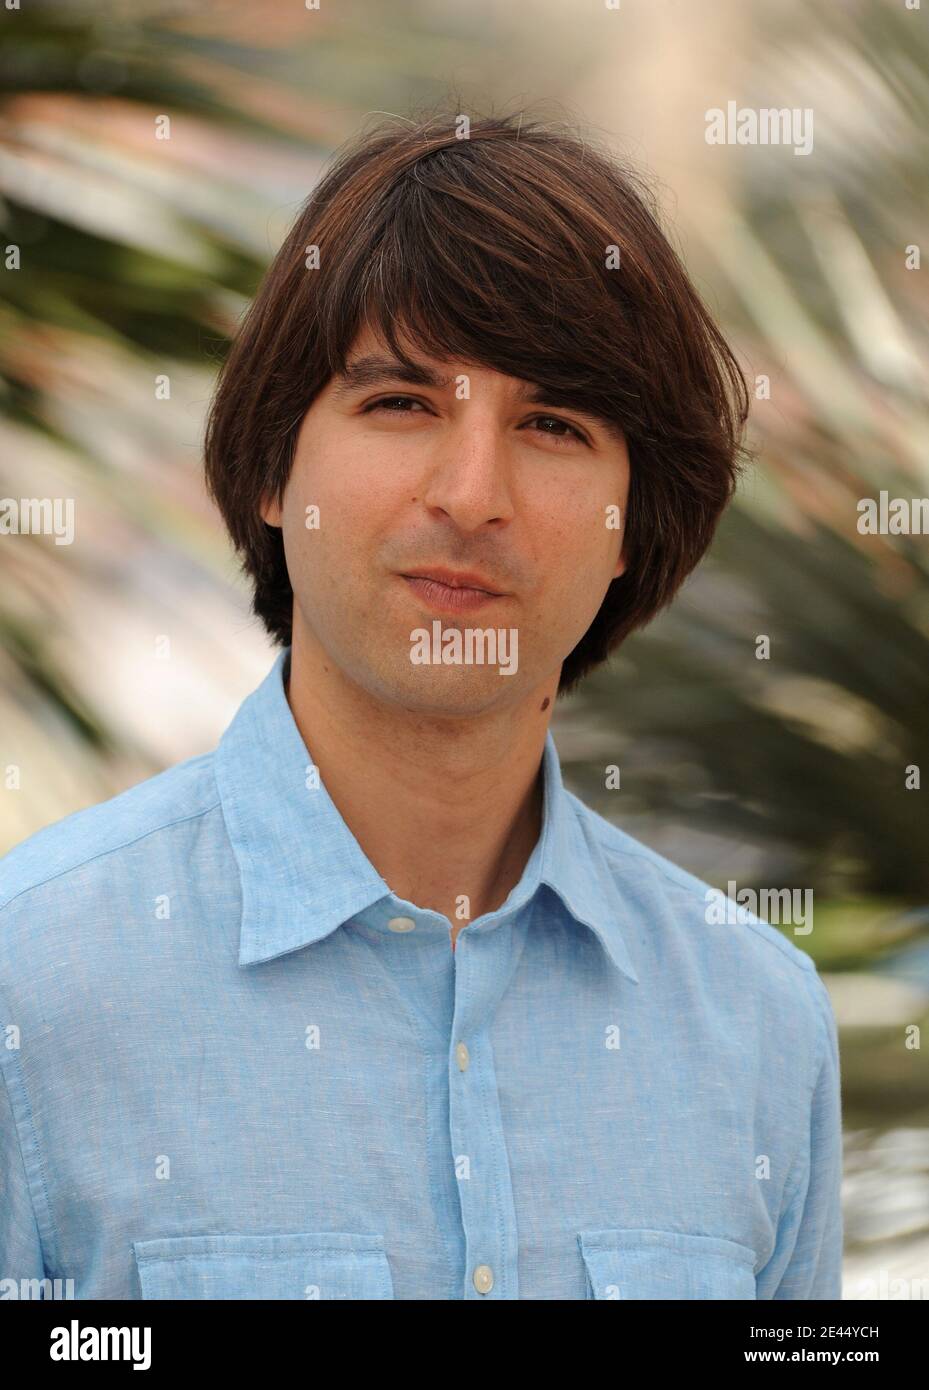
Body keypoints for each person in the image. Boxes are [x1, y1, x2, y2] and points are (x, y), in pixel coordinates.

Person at [0, 111, 842, 1300]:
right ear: (270, 472)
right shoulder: (28, 984)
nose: (470, 493)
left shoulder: (757, 1022)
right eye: (400, 402)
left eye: (552, 423)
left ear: (630, 532)